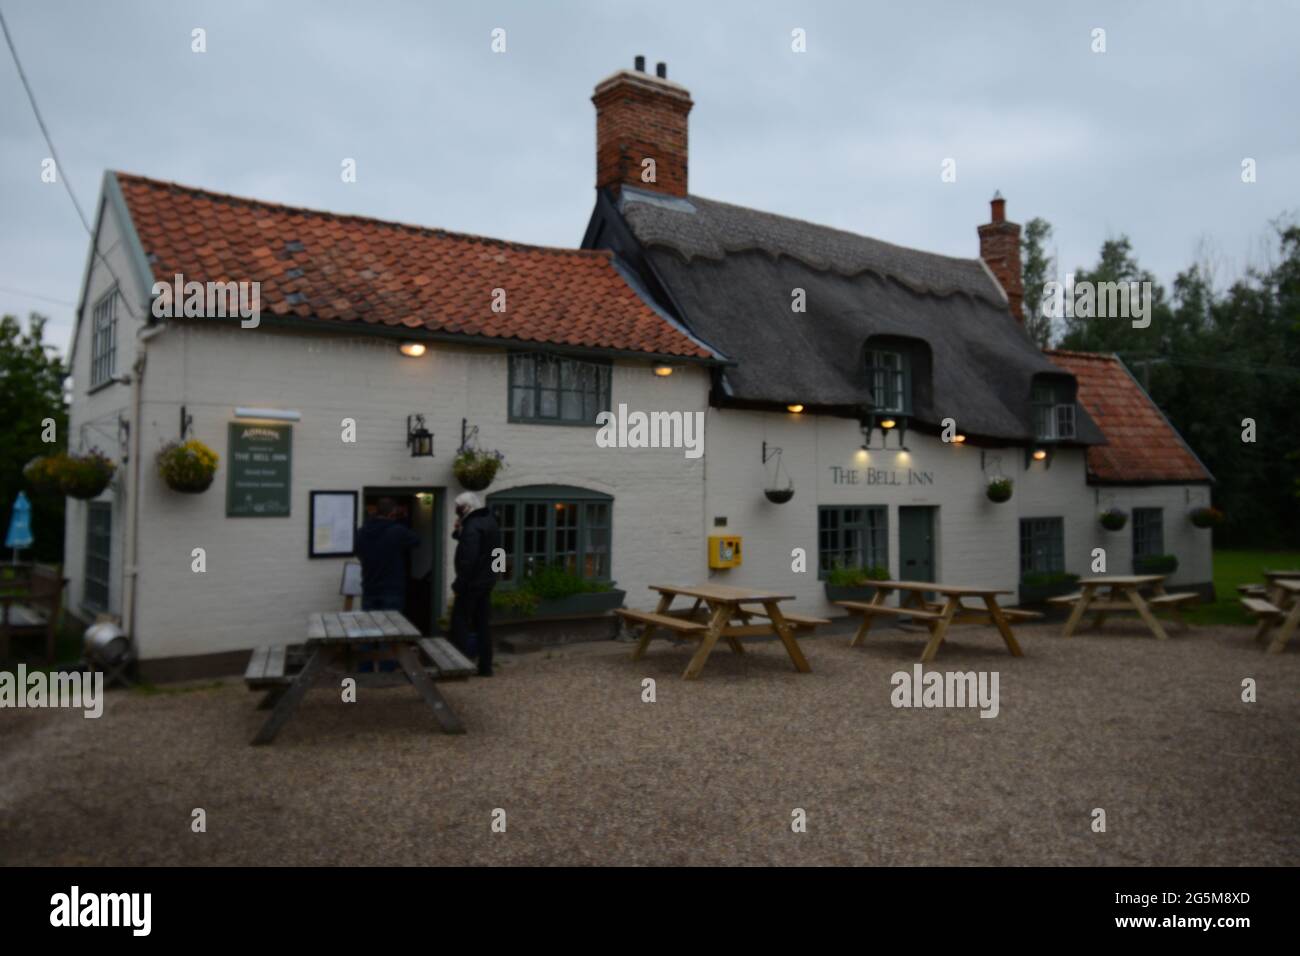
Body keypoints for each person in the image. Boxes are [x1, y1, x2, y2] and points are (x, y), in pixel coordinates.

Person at [354, 497, 420, 672]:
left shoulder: (362, 531)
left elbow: (357, 550)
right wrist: (403, 519)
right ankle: (386, 667)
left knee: (368, 631)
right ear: (393, 513)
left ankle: (365, 667)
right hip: (392, 588)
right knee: (390, 631)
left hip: (369, 586)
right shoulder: (397, 531)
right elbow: (416, 541)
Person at [450, 491, 501, 677]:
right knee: (483, 624)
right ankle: (486, 666)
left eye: (458, 509)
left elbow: (468, 559)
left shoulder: (472, 526)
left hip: (471, 584)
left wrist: (460, 583)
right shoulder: (490, 522)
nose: (457, 512)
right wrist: (496, 575)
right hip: (486, 583)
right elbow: (499, 551)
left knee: (460, 623)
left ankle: (459, 666)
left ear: (465, 508)